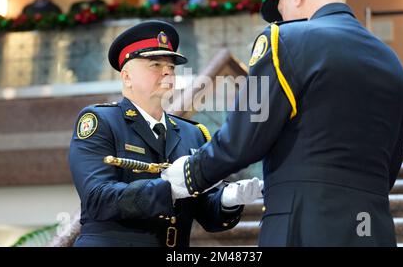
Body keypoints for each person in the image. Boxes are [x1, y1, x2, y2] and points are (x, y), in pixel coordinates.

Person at [161, 0, 403, 247]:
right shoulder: (392, 62)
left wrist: (191, 173)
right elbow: (390, 166)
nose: (283, 20)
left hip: (304, 225)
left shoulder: (286, 39)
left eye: (281, 10)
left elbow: (245, 135)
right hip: (376, 230)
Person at [68, 20, 263, 247]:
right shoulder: (101, 121)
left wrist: (228, 201)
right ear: (127, 76)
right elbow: (98, 198)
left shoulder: (193, 134)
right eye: (155, 65)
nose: (167, 72)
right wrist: (167, 190)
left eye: (171, 67)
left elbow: (205, 213)